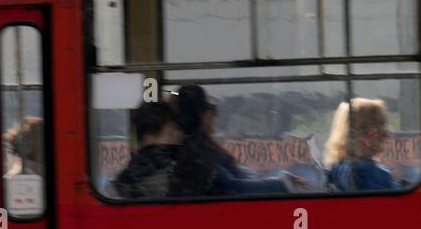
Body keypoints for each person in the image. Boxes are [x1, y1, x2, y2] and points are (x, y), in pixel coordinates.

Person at [168, 85, 303, 197]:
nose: (216, 114)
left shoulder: (198, 148)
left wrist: (277, 176)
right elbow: (235, 187)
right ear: (203, 114)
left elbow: (238, 176)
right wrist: (283, 183)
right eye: (213, 108)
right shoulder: (196, 153)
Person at [322, 98, 400, 192]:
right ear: (369, 134)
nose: (387, 134)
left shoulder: (335, 169)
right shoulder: (373, 175)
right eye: (382, 128)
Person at [112, 101, 183, 200]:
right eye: (177, 128)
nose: (180, 136)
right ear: (169, 130)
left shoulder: (123, 179)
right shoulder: (177, 174)